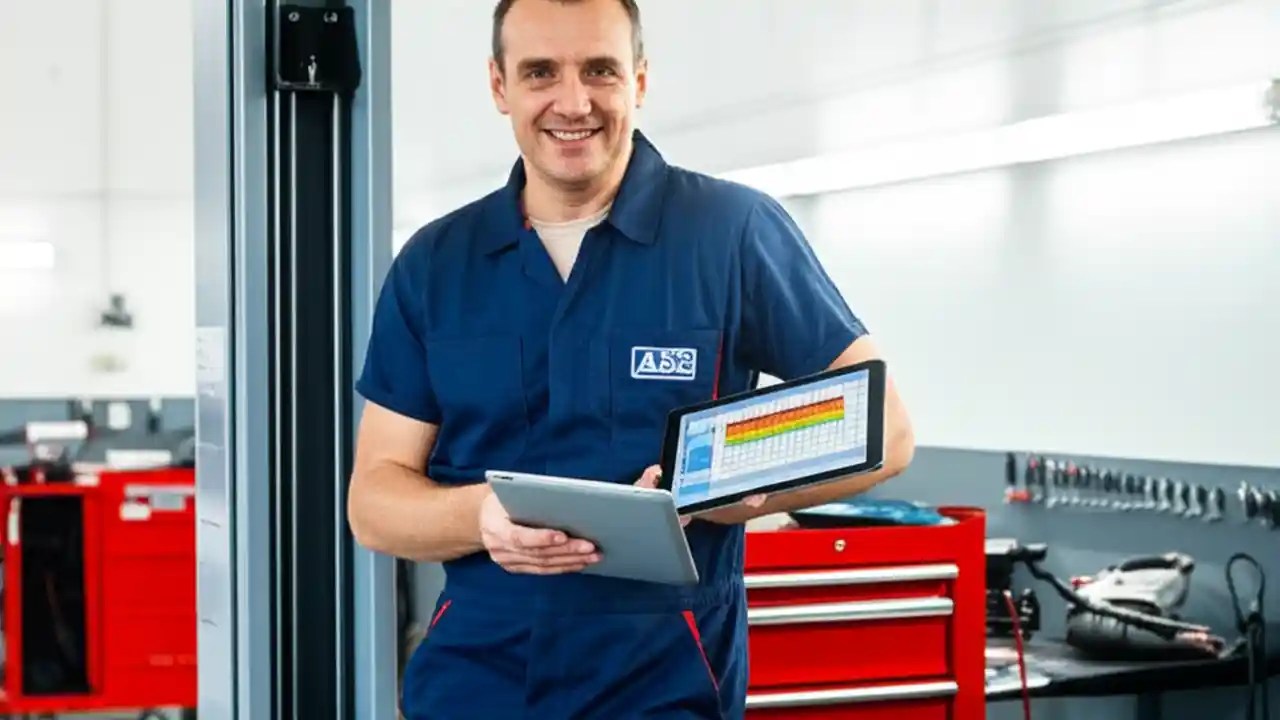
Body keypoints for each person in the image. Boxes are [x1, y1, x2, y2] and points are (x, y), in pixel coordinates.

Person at [347, 0, 915, 717]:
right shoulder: (436, 263)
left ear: (639, 80)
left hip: (664, 684)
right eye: (541, 72)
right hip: (476, 682)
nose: (573, 101)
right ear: (500, 86)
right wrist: (483, 516)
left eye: (600, 70)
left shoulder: (729, 233)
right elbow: (373, 503)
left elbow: (887, 431)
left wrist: (755, 490)